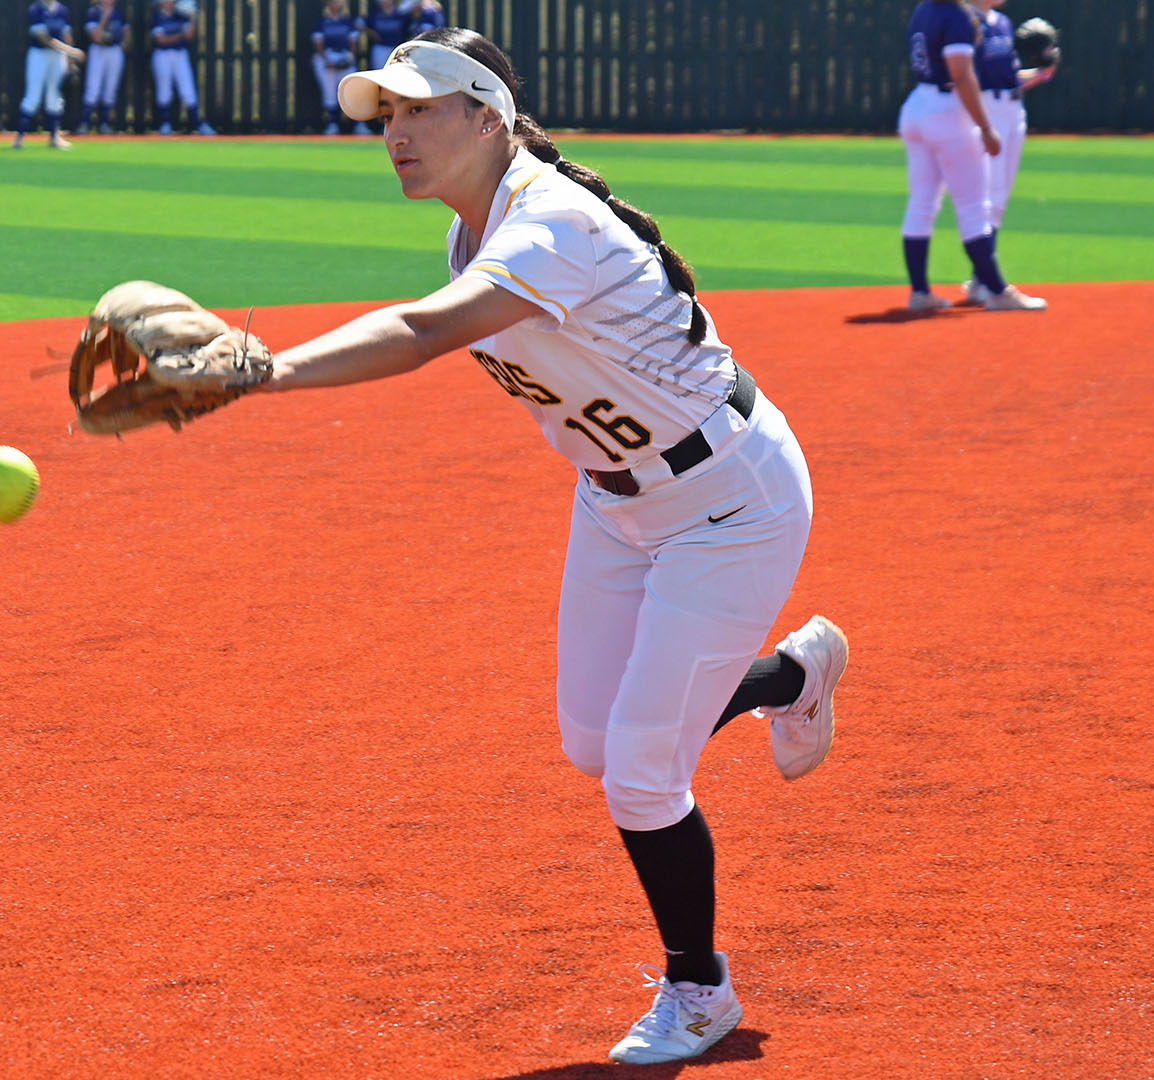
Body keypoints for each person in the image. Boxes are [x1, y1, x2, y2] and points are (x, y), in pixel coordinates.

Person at [251, 28, 851, 1064]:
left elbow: (422, 333)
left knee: (640, 780)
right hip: (616, 502)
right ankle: (790, 673)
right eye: (383, 115)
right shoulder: (473, 225)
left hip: (729, 503)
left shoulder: (549, 225)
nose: (394, 132)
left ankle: (700, 991)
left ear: (488, 115)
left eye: (417, 109)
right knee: (593, 741)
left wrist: (255, 371)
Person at [897, 0, 1046, 311]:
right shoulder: (957, 15)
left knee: (921, 203)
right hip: (946, 112)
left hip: (917, 105)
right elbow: (961, 73)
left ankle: (920, 292)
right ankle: (995, 290)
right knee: (974, 207)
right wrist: (985, 127)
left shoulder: (924, 9)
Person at [961, 0, 1058, 303]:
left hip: (1013, 109)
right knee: (988, 196)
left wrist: (1043, 72)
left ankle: (981, 279)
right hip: (987, 110)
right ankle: (989, 284)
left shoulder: (1002, 22)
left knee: (1000, 198)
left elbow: (1012, 78)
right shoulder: (966, 21)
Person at [14, 0, 85, 149]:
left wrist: (71, 63)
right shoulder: (36, 9)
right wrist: (71, 51)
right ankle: (19, 137)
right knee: (33, 96)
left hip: (58, 56)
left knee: (55, 96)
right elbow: (44, 39)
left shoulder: (62, 10)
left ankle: (54, 138)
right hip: (39, 55)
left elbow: (66, 34)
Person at [149, 0, 216, 135]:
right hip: (163, 55)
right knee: (164, 89)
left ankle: (198, 124)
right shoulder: (157, 17)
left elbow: (190, 36)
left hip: (180, 54)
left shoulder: (181, 16)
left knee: (188, 88)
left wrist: (193, 17)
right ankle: (165, 124)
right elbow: (161, 40)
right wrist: (180, 35)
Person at [311, 0, 365, 135]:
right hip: (328, 57)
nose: (335, 4)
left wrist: (349, 58)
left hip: (344, 56)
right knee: (329, 92)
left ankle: (359, 124)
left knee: (351, 90)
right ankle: (332, 124)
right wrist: (327, 60)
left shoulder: (347, 21)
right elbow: (318, 44)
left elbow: (353, 43)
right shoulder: (322, 22)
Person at [78, 0, 129, 134]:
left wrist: (124, 43)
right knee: (93, 87)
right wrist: (105, 17)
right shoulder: (93, 12)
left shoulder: (119, 13)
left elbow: (126, 30)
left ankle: (104, 124)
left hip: (114, 50)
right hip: (98, 50)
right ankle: (85, 123)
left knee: (110, 88)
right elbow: (96, 36)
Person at [365, 0, 414, 71]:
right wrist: (372, 34)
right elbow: (362, 25)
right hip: (380, 48)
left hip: (397, 49)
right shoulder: (374, 14)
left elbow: (408, 29)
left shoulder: (401, 13)